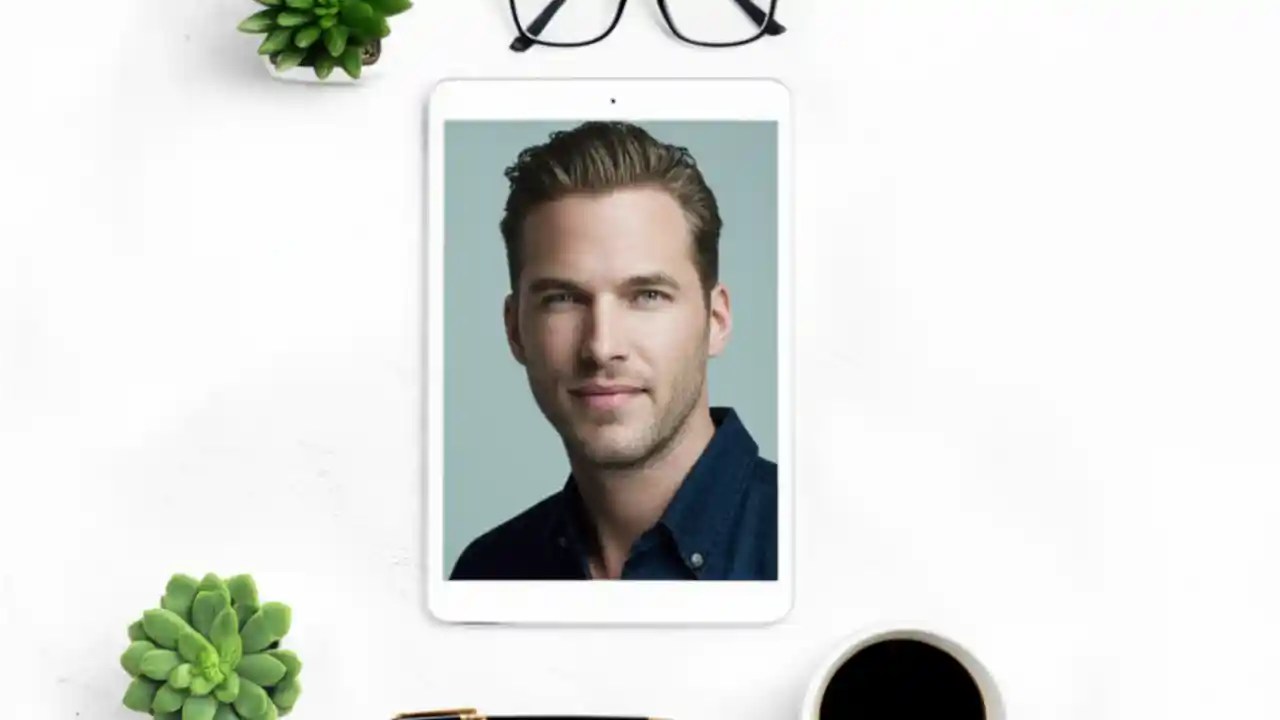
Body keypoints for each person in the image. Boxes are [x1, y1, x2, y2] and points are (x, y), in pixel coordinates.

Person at [449, 121, 777, 581]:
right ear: (514, 329)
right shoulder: (488, 572)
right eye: (563, 298)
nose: (602, 348)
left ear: (716, 321)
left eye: (647, 296)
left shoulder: (821, 547)